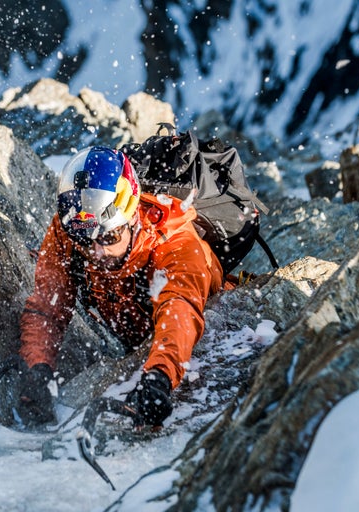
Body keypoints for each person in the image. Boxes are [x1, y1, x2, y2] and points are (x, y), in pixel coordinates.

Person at [16, 146, 224, 428]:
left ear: (133, 218)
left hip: (200, 327)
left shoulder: (176, 244)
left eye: (110, 236)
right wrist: (38, 369)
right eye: (87, 242)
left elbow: (179, 311)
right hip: (133, 339)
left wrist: (159, 376)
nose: (97, 252)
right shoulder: (74, 227)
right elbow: (48, 304)